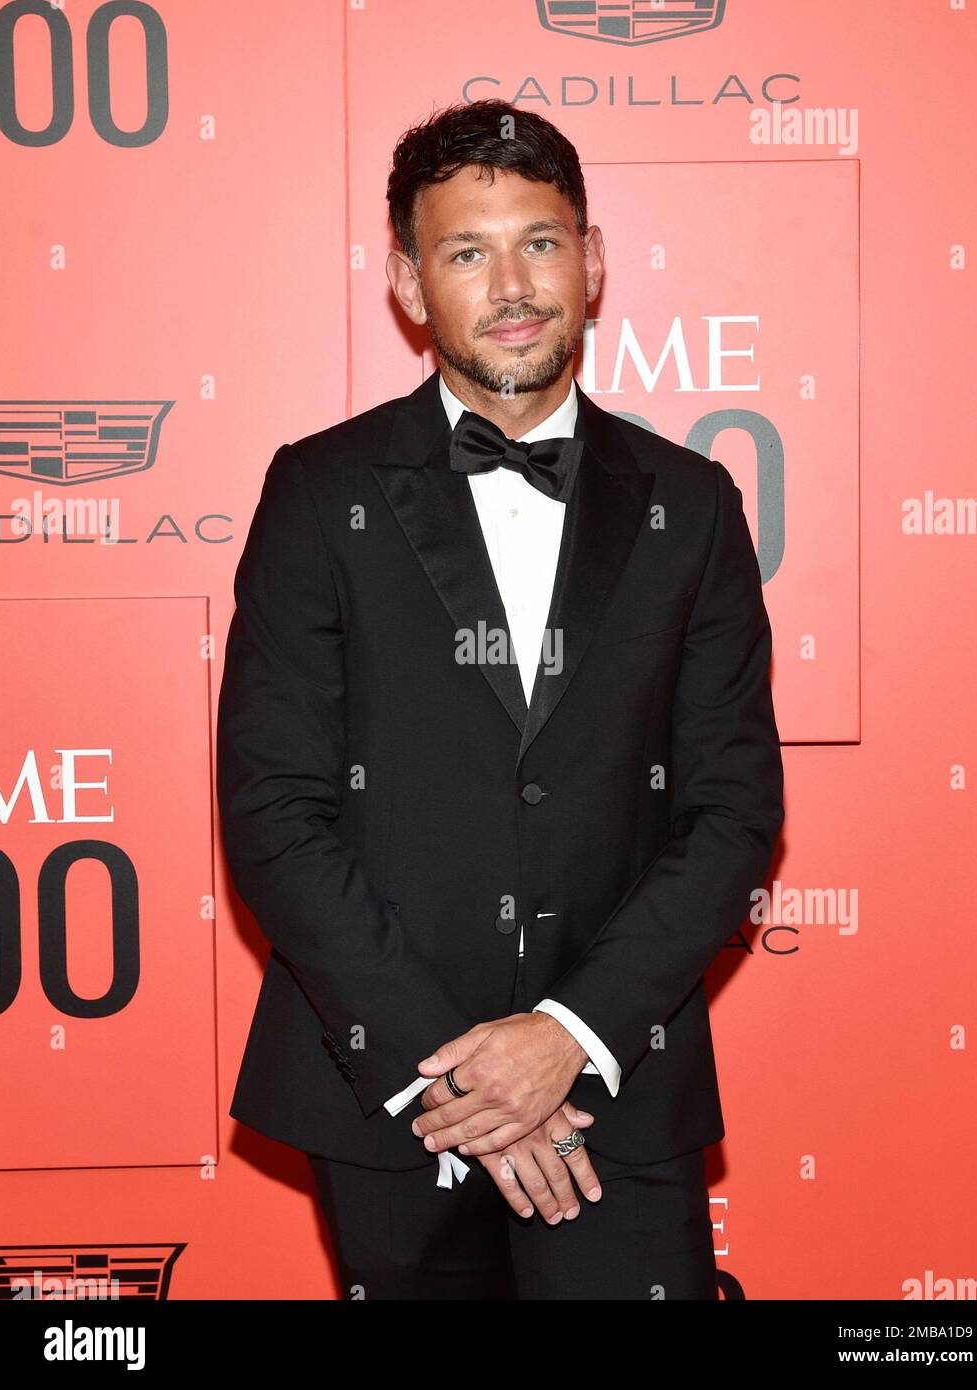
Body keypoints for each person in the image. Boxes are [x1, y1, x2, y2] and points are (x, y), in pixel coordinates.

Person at [216, 98, 784, 1300]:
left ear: (595, 262)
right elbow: (273, 811)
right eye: (467, 252)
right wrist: (465, 1082)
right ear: (410, 286)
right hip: (391, 1098)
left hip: (616, 1092)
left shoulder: (696, 504)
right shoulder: (319, 493)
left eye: (541, 241)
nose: (514, 283)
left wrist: (567, 1039)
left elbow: (734, 811)